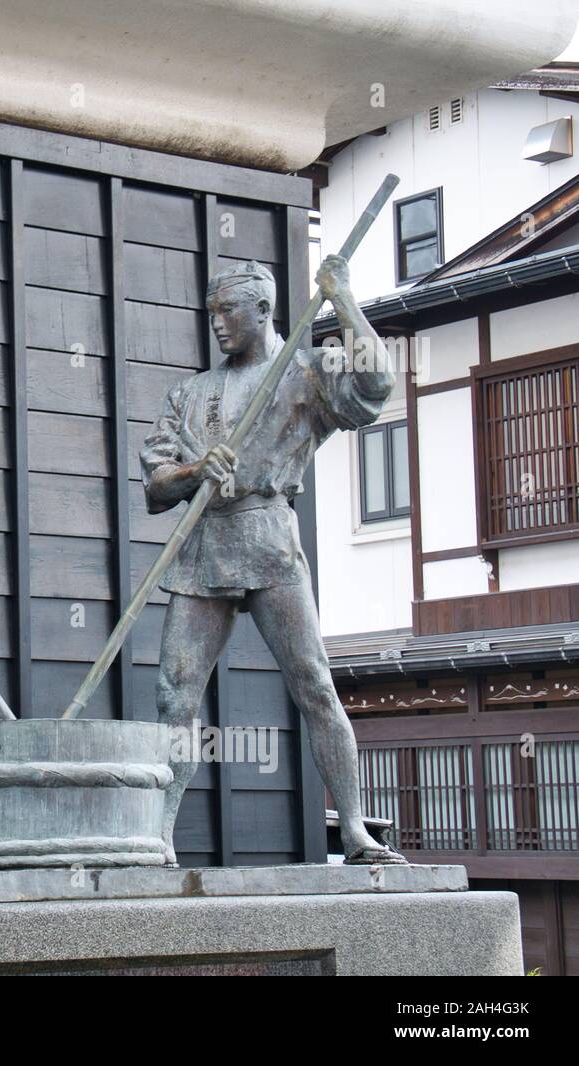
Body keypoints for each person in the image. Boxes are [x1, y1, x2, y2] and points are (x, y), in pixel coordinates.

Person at [141, 255, 406, 866]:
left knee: (314, 683)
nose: (217, 324)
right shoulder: (191, 393)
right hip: (205, 541)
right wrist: (191, 470)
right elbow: (157, 485)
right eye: (211, 314)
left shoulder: (307, 370)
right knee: (173, 693)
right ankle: (157, 837)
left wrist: (343, 300)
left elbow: (375, 385)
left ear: (263, 310)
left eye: (228, 311)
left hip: (268, 533)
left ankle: (358, 831)